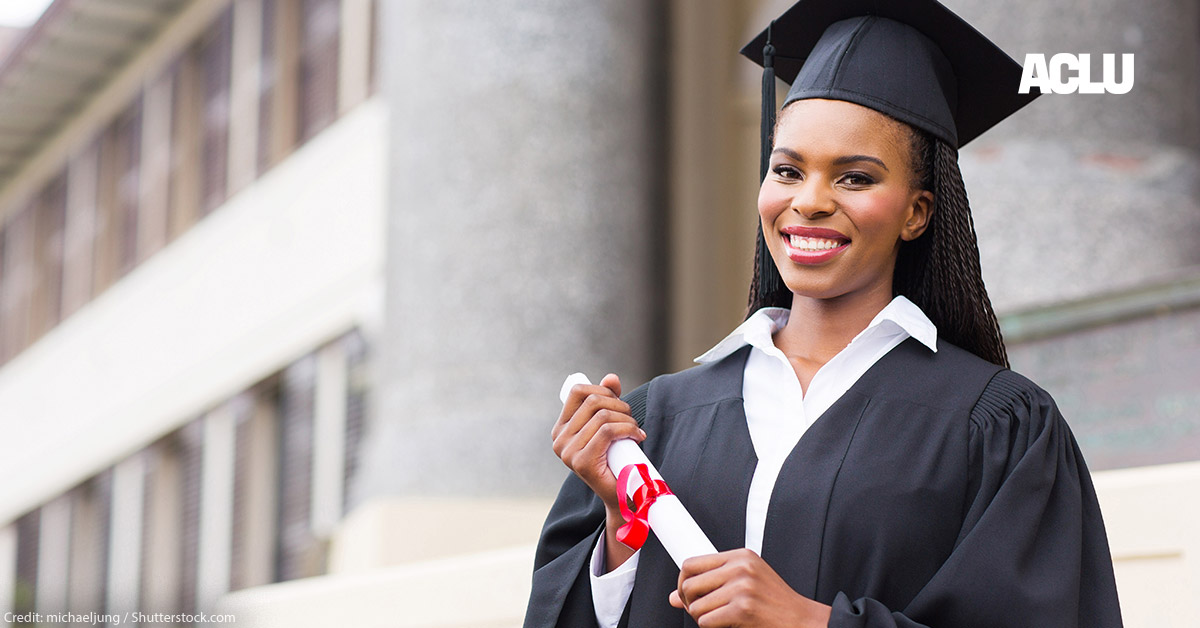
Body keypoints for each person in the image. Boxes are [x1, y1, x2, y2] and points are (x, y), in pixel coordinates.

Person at [524, 0, 1124, 626]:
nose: (808, 202)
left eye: (855, 178)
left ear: (917, 212)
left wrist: (811, 621)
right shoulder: (658, 422)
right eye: (787, 170)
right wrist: (625, 524)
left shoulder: (999, 428)